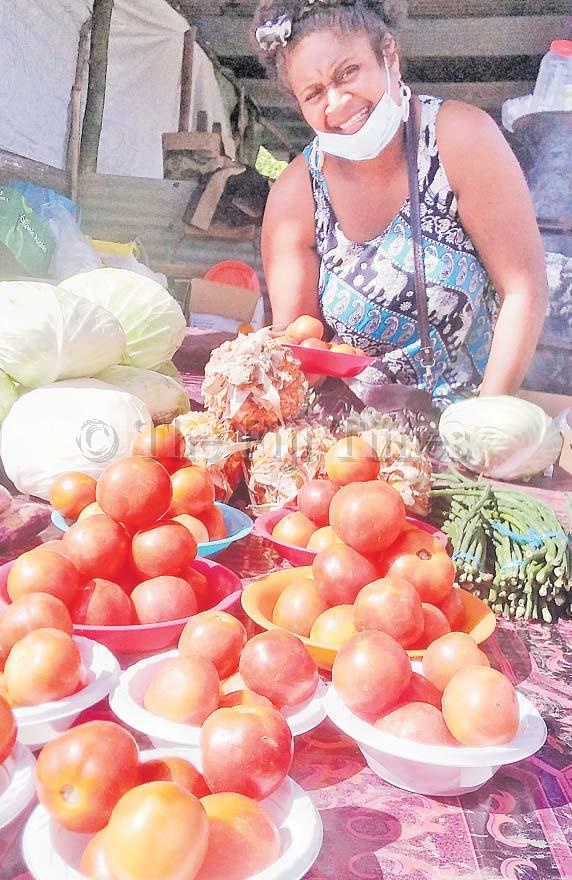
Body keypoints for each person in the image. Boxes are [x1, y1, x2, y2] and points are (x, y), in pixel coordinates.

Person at [253, 0, 549, 409]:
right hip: (357, 448)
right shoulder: (296, 195)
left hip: (470, 427)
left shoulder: (459, 140)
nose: (336, 103)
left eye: (348, 73)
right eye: (314, 93)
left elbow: (524, 288)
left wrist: (484, 425)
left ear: (389, 56)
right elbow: (300, 348)